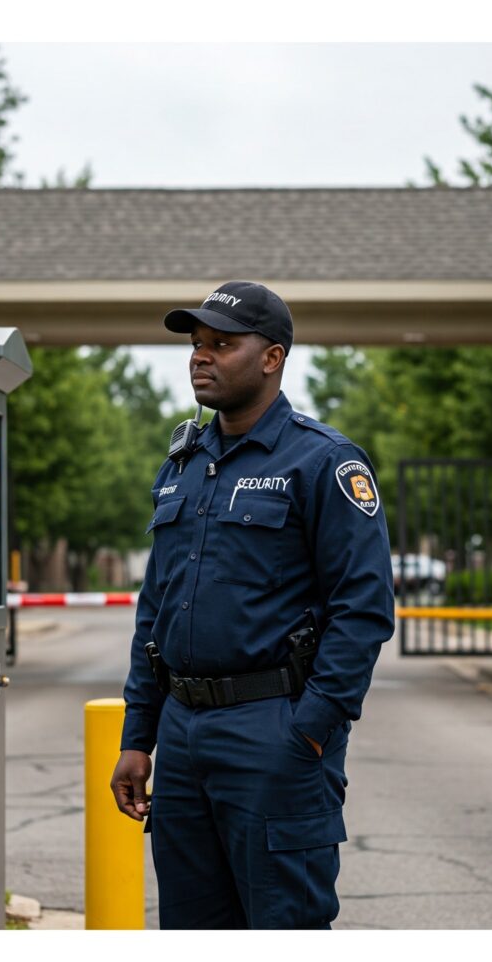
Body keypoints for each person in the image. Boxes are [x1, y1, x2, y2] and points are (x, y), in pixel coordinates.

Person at [110, 281, 394, 929]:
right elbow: (156, 608)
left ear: (272, 358)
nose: (201, 356)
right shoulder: (182, 465)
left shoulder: (323, 461)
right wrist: (139, 735)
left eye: (222, 344)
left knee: (283, 924)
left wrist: (311, 729)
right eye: (196, 343)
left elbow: (364, 608)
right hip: (183, 735)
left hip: (272, 730)